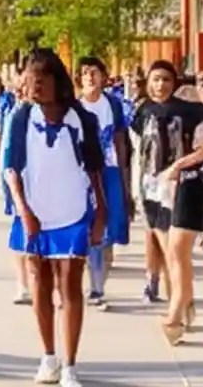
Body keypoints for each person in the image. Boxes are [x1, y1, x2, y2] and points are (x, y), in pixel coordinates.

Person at [1, 49, 106, 387]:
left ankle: (71, 364)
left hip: (73, 211)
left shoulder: (82, 119)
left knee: (70, 285)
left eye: (41, 81)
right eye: (30, 80)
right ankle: (49, 357)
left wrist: (102, 211)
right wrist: (24, 211)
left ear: (57, 83)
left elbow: (94, 168)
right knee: (39, 282)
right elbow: (11, 169)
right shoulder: (19, 118)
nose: (34, 87)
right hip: (33, 211)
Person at [132, 60, 203, 345]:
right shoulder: (142, 111)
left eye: (166, 79)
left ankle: (174, 317)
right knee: (170, 254)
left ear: (175, 82)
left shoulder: (194, 111)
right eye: (155, 79)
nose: (160, 85)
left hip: (189, 186)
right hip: (155, 189)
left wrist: (179, 167)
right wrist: (138, 188)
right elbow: (139, 152)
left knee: (177, 252)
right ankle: (183, 304)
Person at [74, 56, 131, 312]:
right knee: (88, 229)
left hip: (109, 171)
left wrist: (124, 178)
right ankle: (94, 286)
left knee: (110, 230)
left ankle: (100, 282)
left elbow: (120, 140)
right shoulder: (74, 108)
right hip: (83, 174)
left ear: (104, 76)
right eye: (85, 73)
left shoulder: (114, 105)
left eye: (94, 72)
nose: (90, 77)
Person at [0, 76, 31, 305]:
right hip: (22, 178)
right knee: (20, 234)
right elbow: (7, 153)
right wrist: (8, 188)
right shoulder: (17, 114)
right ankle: (23, 284)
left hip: (42, 180)